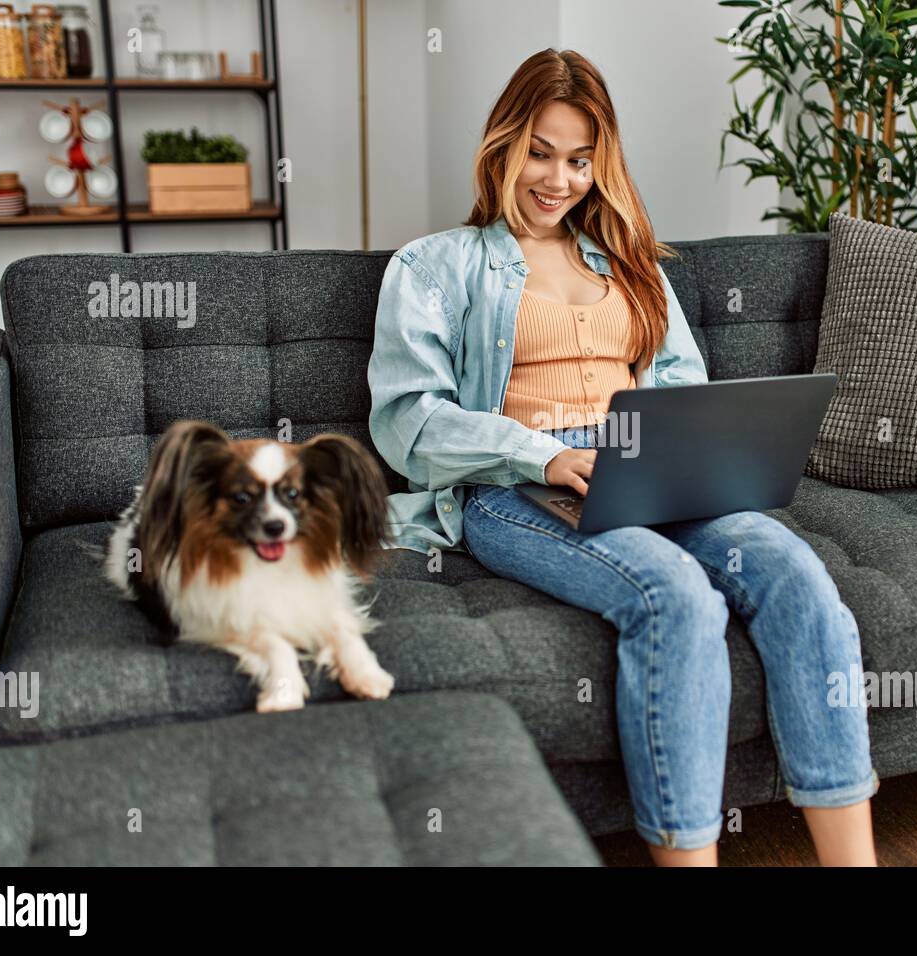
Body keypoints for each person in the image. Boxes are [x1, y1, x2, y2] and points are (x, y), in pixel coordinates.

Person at [368, 48, 878, 867]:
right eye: (539, 150)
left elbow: (680, 383)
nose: (557, 179)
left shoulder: (632, 261)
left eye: (579, 160)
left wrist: (687, 453)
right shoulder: (434, 267)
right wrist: (541, 456)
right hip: (516, 488)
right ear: (502, 144)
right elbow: (408, 422)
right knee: (675, 593)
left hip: (650, 467)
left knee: (796, 573)